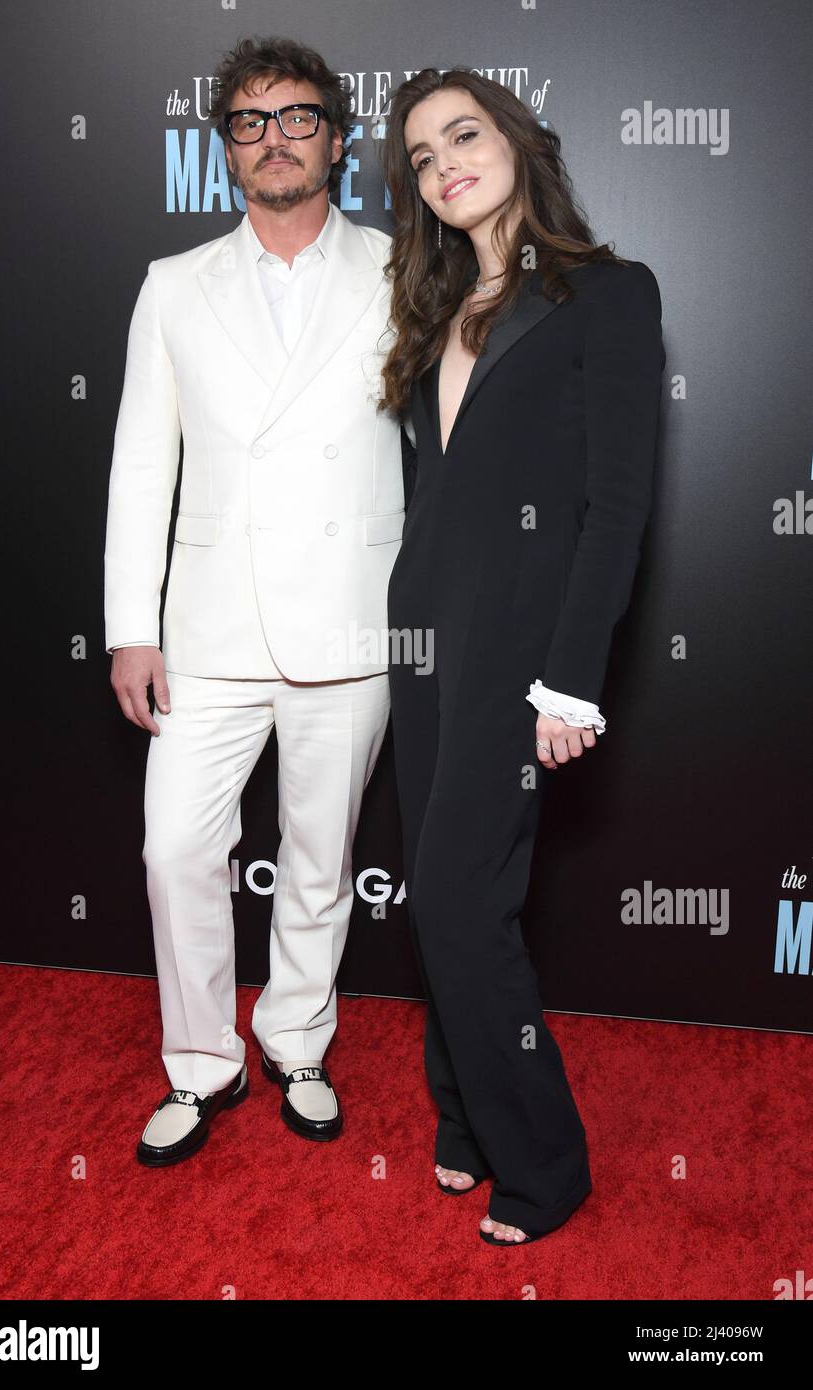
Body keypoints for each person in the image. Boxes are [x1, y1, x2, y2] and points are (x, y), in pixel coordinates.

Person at [104, 36, 407, 1166]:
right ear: (223, 144)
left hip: (349, 611)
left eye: (295, 117)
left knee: (320, 854)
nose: (272, 137)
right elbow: (144, 463)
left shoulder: (398, 270)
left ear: (336, 135)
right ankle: (199, 1063)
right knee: (175, 848)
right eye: (247, 119)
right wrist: (133, 621)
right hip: (209, 630)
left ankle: (296, 1038)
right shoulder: (173, 285)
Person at [379, 68, 666, 1245]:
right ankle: (463, 1120)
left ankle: (542, 1163)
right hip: (423, 640)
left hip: (518, 656)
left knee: (456, 900)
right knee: (452, 900)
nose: (445, 161)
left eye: (464, 132)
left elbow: (617, 505)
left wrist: (571, 677)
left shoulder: (606, 293)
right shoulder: (437, 309)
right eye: (421, 155)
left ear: (515, 139)